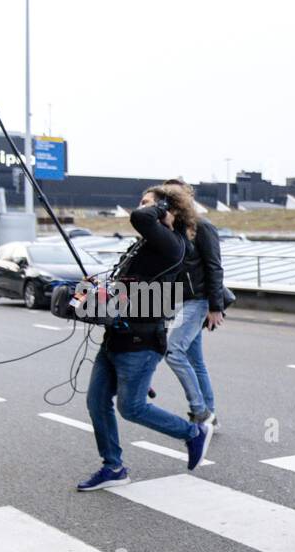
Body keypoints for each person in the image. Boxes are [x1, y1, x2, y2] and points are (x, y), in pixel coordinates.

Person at [78, 185, 213, 490]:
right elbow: (133, 288)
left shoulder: (172, 243)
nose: (140, 207)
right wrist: (100, 290)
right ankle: (113, 467)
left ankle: (193, 433)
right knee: (96, 402)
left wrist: (161, 208)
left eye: (149, 202)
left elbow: (140, 217)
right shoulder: (146, 245)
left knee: (131, 407)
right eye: (141, 201)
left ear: (169, 210)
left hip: (141, 342)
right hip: (117, 338)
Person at [162, 178, 223, 428]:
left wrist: (215, 306)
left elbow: (214, 266)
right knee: (195, 360)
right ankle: (210, 414)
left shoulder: (202, 227)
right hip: (179, 300)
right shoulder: (172, 229)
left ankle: (201, 412)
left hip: (197, 300)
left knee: (173, 350)